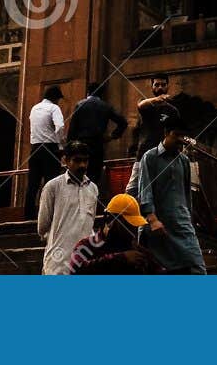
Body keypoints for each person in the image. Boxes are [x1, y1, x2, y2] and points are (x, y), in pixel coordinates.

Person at [133, 113, 204, 274]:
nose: (180, 139)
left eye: (183, 136)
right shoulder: (150, 157)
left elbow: (187, 195)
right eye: (176, 135)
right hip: (158, 225)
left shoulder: (184, 161)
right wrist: (152, 219)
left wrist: (190, 220)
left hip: (181, 225)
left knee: (196, 268)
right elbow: (145, 190)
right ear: (166, 133)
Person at [36, 141, 97, 275]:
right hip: (58, 263)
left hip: (85, 262)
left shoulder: (93, 188)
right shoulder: (53, 187)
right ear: (66, 161)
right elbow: (42, 227)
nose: (82, 165)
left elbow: (90, 222)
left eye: (85, 161)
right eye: (77, 160)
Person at [69, 193, 159, 275]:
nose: (133, 230)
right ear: (110, 219)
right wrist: (121, 258)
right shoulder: (87, 246)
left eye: (135, 226)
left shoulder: (136, 252)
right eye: (128, 225)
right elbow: (76, 269)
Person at [67, 82, 127, 191]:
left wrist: (68, 149)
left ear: (88, 92)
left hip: (80, 146)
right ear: (102, 94)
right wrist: (112, 136)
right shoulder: (105, 106)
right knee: (93, 180)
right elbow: (123, 122)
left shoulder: (80, 105)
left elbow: (72, 129)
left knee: (77, 178)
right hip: (97, 146)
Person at [24, 85, 65, 219]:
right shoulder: (54, 108)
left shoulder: (34, 108)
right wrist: (61, 145)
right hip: (50, 148)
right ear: (55, 98)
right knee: (51, 183)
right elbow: (59, 127)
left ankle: (28, 216)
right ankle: (49, 216)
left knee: (33, 185)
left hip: (35, 148)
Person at [134, 75, 178, 158]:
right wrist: (157, 99)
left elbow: (174, 133)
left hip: (164, 155)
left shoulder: (172, 110)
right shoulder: (146, 104)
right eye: (157, 85)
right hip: (143, 154)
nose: (160, 87)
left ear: (168, 86)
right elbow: (140, 105)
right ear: (152, 87)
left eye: (163, 85)